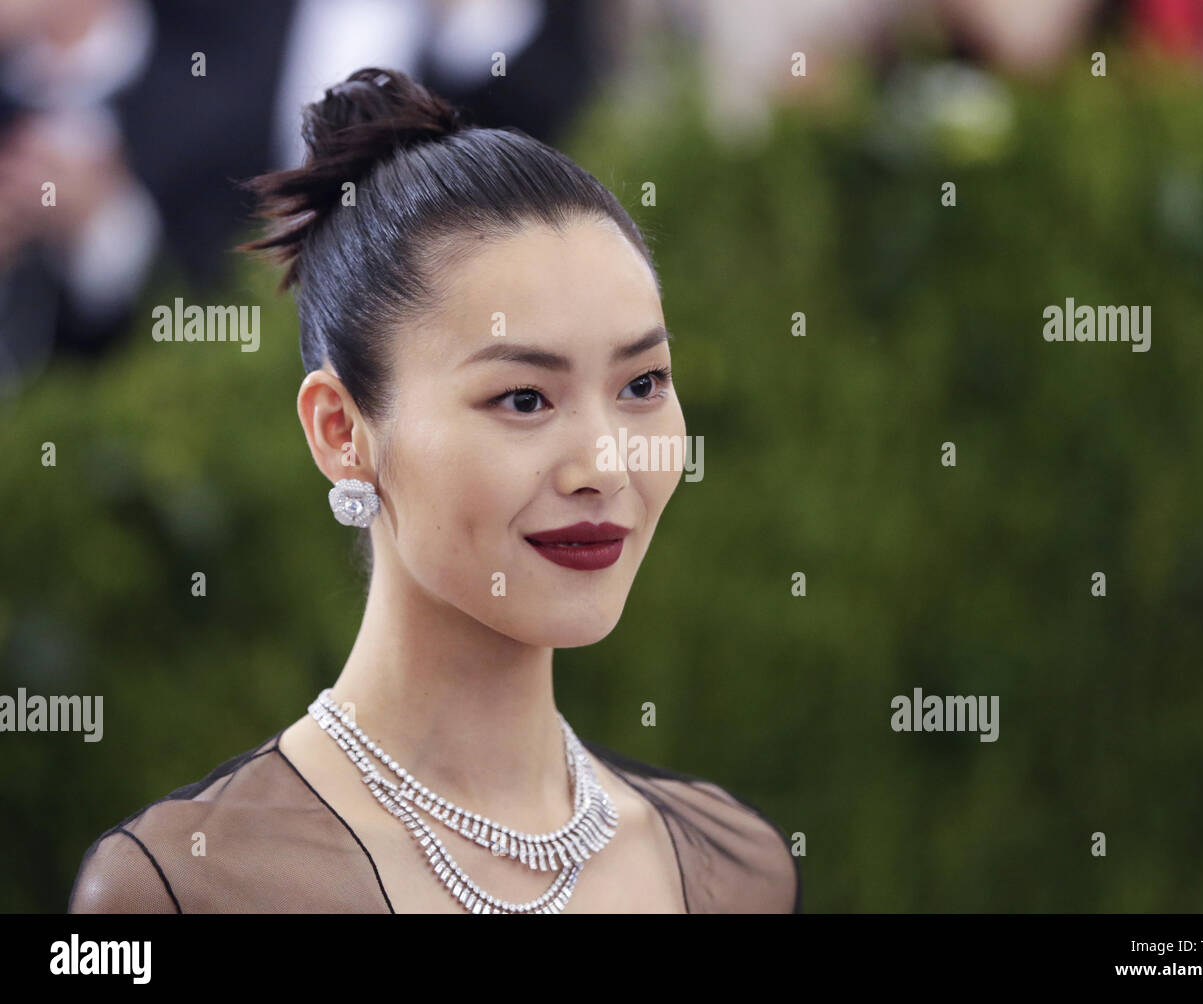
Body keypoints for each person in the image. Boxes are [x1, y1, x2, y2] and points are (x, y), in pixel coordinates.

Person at [66, 67, 801, 914]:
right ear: (341, 433)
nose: (604, 464)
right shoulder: (189, 885)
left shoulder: (735, 869)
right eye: (524, 399)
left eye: (642, 385)